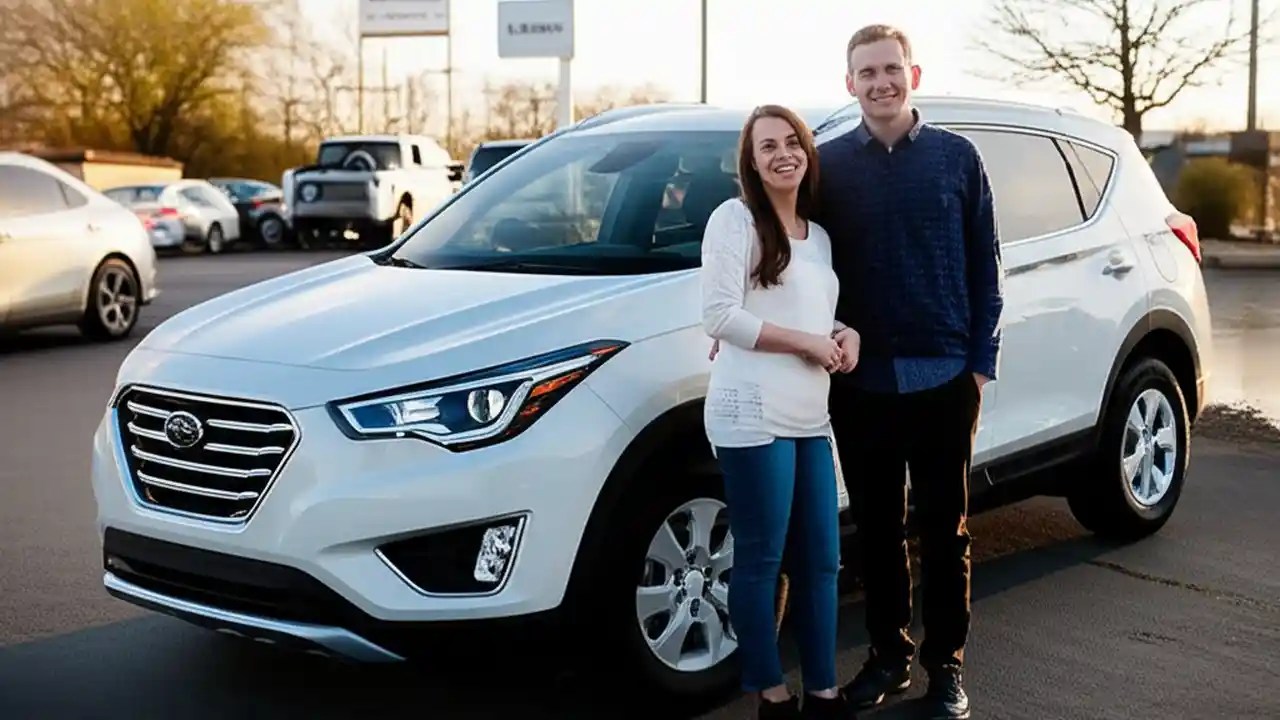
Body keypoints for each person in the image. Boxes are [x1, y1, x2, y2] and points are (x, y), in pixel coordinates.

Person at [815, 24, 1004, 720]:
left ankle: (945, 668)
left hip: (945, 379)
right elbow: (794, 255)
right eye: (867, 72)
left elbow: (986, 266)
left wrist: (981, 365)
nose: (881, 82)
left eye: (891, 69)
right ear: (850, 84)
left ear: (913, 75)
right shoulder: (828, 167)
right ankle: (888, 657)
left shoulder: (957, 159)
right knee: (876, 529)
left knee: (945, 531)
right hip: (860, 386)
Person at [700, 104, 860, 720]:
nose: (783, 153)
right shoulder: (734, 219)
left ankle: (822, 692)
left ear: (808, 153)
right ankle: (769, 692)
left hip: (809, 418)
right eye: (767, 146)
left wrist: (847, 337)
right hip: (750, 413)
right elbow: (719, 316)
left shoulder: (816, 236)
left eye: (792, 142)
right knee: (761, 558)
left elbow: (815, 319)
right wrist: (807, 344)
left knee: (822, 560)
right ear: (751, 160)